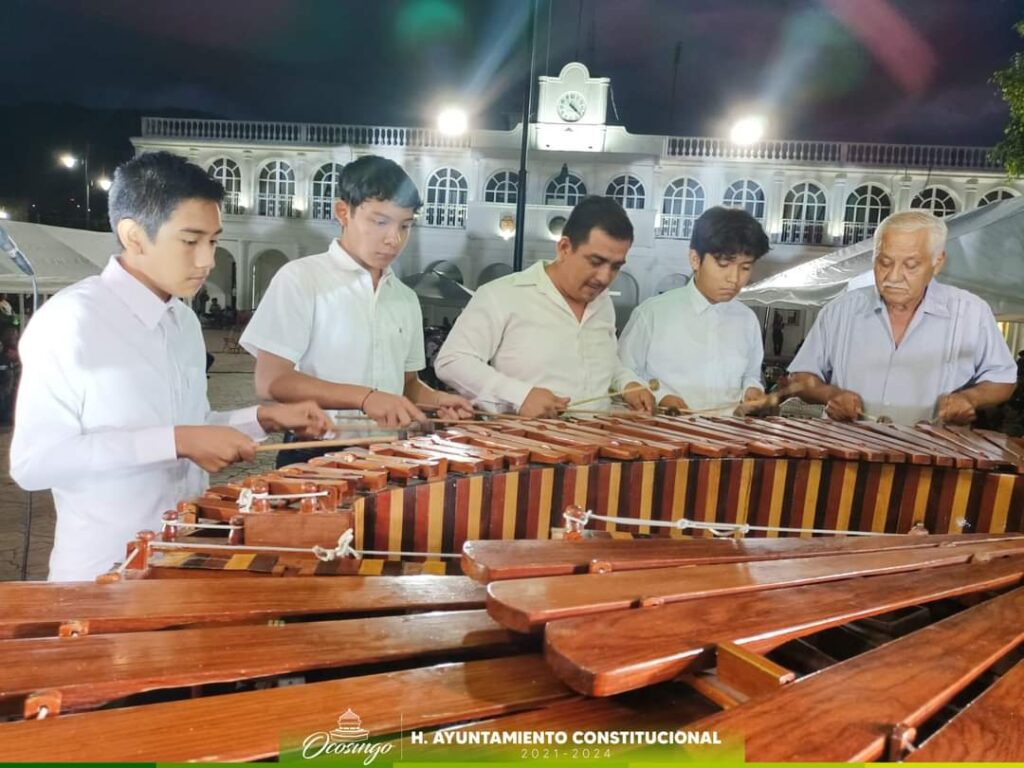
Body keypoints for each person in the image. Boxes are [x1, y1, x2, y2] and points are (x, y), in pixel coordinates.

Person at [9, 151, 331, 581]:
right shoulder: (71, 321)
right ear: (134, 235)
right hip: (101, 574)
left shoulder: (182, 321)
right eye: (190, 240)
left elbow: (192, 425)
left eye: (213, 241)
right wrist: (176, 440)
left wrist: (262, 418)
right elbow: (34, 463)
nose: (207, 260)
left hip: (181, 555)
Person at [240, 155, 472, 467]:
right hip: (316, 451)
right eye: (380, 222)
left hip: (389, 455)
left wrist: (440, 401)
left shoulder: (404, 298)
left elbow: (407, 386)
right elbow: (271, 381)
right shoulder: (302, 278)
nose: (394, 239)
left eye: (405, 225)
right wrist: (365, 397)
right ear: (343, 212)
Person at [434, 196, 656, 417]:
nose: (604, 277)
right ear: (564, 247)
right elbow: (453, 361)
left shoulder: (604, 302)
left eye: (616, 266)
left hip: (596, 444)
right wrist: (521, 395)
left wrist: (627, 383)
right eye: (595, 262)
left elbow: (603, 360)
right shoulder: (502, 295)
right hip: (523, 446)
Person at [789, 210, 1016, 425]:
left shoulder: (972, 313)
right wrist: (830, 394)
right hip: (847, 454)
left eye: (911, 265)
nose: (894, 276)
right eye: (884, 263)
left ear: (937, 262)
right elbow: (800, 378)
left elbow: (1003, 378)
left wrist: (970, 398)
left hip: (932, 455)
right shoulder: (839, 310)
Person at [618, 206, 769, 415]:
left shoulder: (747, 320)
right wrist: (660, 397)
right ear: (695, 259)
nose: (734, 279)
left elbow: (751, 374)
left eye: (745, 268)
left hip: (728, 437)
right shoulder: (652, 314)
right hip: (666, 436)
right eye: (724, 264)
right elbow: (622, 372)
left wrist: (752, 389)